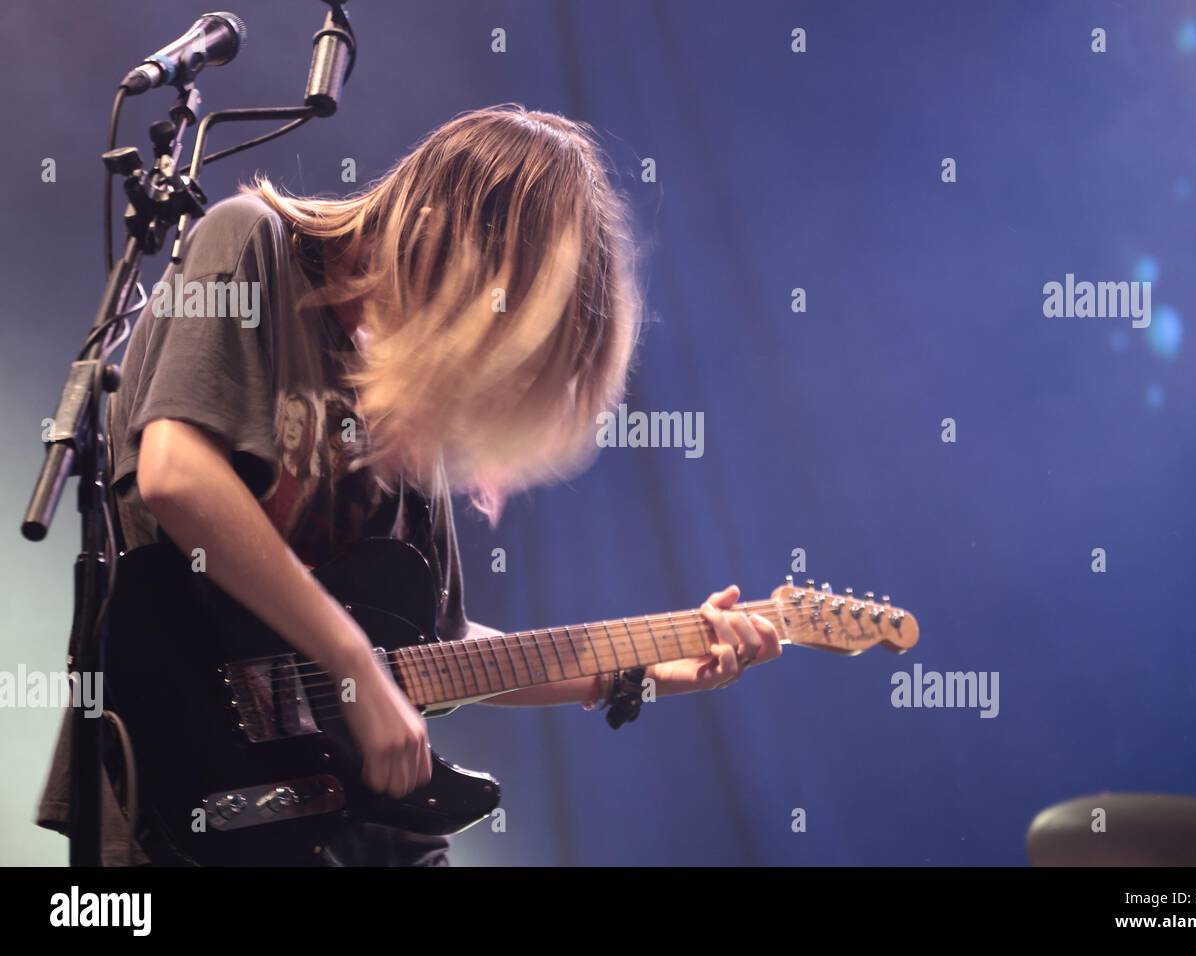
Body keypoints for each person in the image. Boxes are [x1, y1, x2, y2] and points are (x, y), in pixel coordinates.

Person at [38, 104, 781, 865]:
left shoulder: (405, 396)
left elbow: (438, 651)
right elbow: (176, 475)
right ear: (434, 230)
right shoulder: (249, 238)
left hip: (354, 823)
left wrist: (644, 666)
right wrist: (355, 664)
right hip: (188, 795)